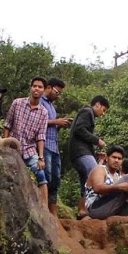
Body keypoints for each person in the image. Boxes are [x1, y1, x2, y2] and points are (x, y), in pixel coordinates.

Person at [5, 76, 52, 208]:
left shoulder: (43, 112)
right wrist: (5, 144)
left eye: (40, 87)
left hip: (29, 150)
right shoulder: (17, 103)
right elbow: (8, 125)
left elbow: (41, 136)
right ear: (31, 88)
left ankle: (44, 210)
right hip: (13, 147)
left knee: (41, 174)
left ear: (44, 90)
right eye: (34, 86)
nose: (37, 89)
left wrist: (41, 157)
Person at [67, 95, 109, 215]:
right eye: (103, 110)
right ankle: (96, 210)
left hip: (80, 152)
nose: (103, 114)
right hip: (80, 152)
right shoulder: (87, 111)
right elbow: (79, 130)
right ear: (97, 105)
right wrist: (97, 140)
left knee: (86, 181)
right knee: (96, 174)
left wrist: (94, 153)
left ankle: (82, 211)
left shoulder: (87, 113)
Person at [43, 77, 69, 208]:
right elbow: (36, 121)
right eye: (57, 92)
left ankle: (52, 208)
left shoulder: (52, 107)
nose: (58, 96)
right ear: (49, 88)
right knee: (46, 175)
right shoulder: (40, 102)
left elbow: (51, 126)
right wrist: (56, 122)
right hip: (44, 144)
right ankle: (43, 206)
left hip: (54, 145)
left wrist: (59, 124)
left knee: (56, 177)